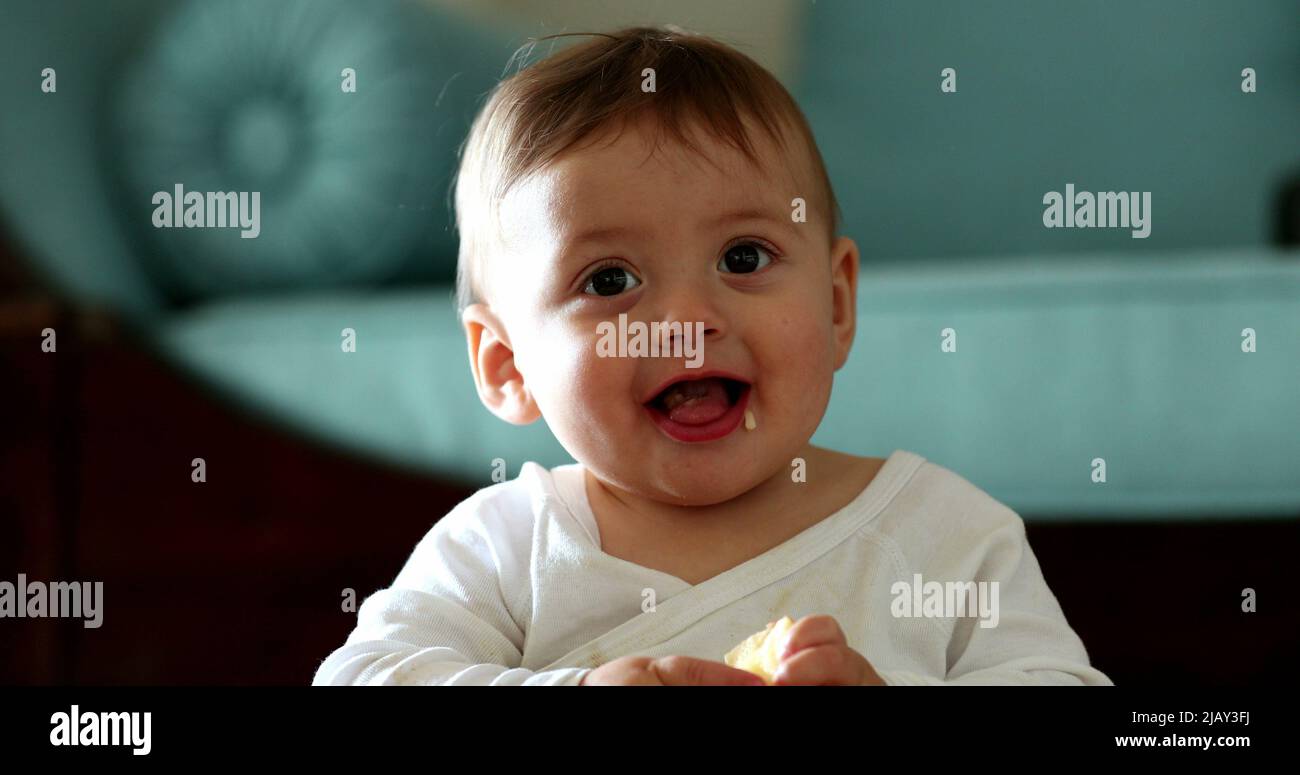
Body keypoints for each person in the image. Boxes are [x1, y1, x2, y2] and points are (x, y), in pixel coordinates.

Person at [313, 27, 1111, 686]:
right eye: (611, 279)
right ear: (506, 363)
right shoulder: (507, 547)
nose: (688, 322)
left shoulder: (942, 532)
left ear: (835, 305)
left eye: (743, 258)